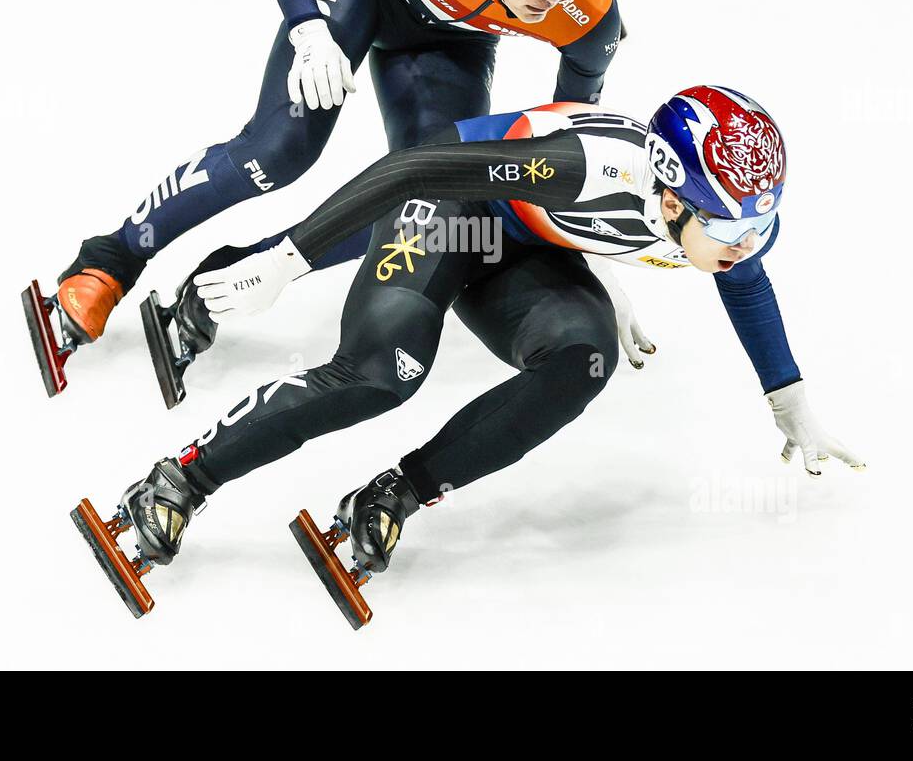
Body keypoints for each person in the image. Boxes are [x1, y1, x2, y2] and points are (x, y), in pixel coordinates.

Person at [72, 85, 865, 623]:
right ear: (667, 194)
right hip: (445, 207)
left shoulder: (721, 220)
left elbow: (748, 285)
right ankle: (177, 482)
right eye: (726, 232)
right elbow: (410, 168)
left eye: (755, 229)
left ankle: (394, 496)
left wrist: (785, 396)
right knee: (384, 374)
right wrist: (288, 257)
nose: (741, 249)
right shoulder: (578, 169)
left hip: (521, 243)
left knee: (585, 358)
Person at [27, 0, 623, 395]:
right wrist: (309, 29)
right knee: (278, 149)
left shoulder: (586, 16)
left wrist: (580, 251)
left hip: (449, 46)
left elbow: (565, 143)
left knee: (426, 200)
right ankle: (108, 261)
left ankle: (233, 274)